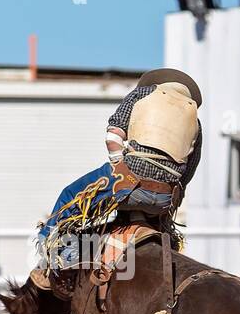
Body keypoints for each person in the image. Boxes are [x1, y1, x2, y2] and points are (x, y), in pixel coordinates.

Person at [35, 69, 203, 274]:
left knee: (70, 196)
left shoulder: (143, 94)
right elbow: (189, 170)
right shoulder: (194, 119)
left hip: (128, 185)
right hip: (164, 200)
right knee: (167, 232)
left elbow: (113, 137)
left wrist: (122, 170)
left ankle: (54, 258)